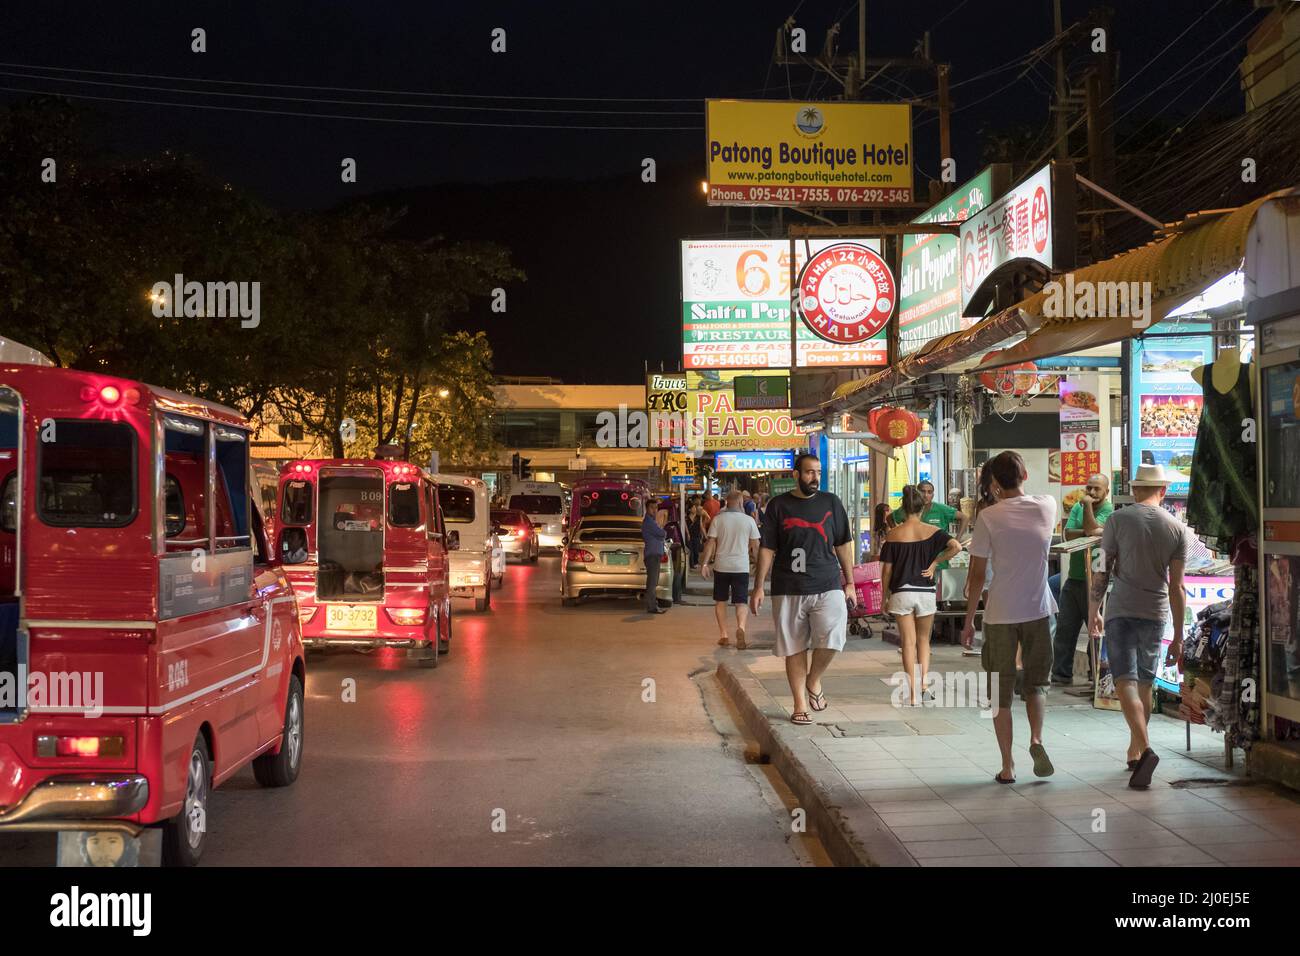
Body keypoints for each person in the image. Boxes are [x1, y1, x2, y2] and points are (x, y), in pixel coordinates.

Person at [1088, 464, 1192, 789]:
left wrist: (1093, 609)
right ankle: (1134, 751)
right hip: (1156, 612)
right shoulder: (1177, 529)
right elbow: (1178, 587)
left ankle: (1145, 748)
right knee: (1145, 685)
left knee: (1125, 684)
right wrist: (1178, 636)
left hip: (1121, 611)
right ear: (1162, 491)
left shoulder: (1117, 520)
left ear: (1134, 490)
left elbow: (1101, 567)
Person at [961, 451, 1058, 784]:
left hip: (1001, 612)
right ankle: (1037, 739)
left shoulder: (989, 517)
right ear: (1024, 476)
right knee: (1037, 684)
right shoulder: (1047, 505)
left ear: (994, 483)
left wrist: (969, 620)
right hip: (1040, 610)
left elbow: (976, 576)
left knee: (998, 691)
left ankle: (1008, 765)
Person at [751, 454, 856, 725]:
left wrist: (851, 582)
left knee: (833, 636)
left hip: (828, 583)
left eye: (818, 472)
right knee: (795, 647)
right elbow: (767, 548)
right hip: (789, 587)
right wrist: (759, 586)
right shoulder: (778, 506)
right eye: (809, 472)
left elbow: (844, 544)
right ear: (796, 474)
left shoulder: (831, 502)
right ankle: (799, 704)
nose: (815, 477)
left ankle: (814, 679)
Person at [881, 485, 963, 706]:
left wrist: (883, 598)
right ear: (921, 509)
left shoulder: (893, 534)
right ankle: (924, 684)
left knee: (908, 643)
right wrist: (935, 563)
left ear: (903, 509)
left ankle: (913, 695)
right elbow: (956, 546)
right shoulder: (933, 532)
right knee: (924, 641)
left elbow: (887, 570)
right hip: (926, 592)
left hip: (901, 593)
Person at [1051, 474, 1113, 686]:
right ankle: (1061, 674)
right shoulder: (1077, 506)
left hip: (1096, 578)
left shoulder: (1109, 511)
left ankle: (1095, 676)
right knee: (1065, 628)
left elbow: (1090, 530)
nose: (1092, 493)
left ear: (1106, 491)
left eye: (1097, 489)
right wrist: (1089, 531)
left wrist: (1087, 509)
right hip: (1075, 576)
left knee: (1095, 631)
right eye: (1089, 488)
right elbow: (1069, 534)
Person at [701, 490, 761, 648]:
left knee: (720, 601)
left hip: (722, 566)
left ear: (726, 502)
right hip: (741, 566)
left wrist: (705, 564)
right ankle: (741, 627)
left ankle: (724, 635)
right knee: (741, 601)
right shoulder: (749, 521)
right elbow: (756, 547)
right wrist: (760, 566)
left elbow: (710, 543)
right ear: (741, 503)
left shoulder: (718, 520)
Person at [641, 498, 668, 614]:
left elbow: (661, 535)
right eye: (652, 508)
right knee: (652, 583)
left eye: (656, 508)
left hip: (654, 554)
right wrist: (661, 532)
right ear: (647, 509)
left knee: (653, 582)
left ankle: (653, 605)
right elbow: (662, 533)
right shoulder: (649, 522)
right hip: (652, 555)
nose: (654, 510)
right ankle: (652, 607)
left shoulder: (652, 521)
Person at [686, 498, 705, 569]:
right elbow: (685, 527)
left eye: (695, 508)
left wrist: (704, 535)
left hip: (697, 535)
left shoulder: (698, 517)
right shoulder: (686, 518)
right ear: (689, 509)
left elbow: (701, 526)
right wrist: (687, 534)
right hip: (689, 536)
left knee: (696, 550)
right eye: (693, 508)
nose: (695, 509)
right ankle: (692, 564)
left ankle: (696, 562)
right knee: (691, 550)